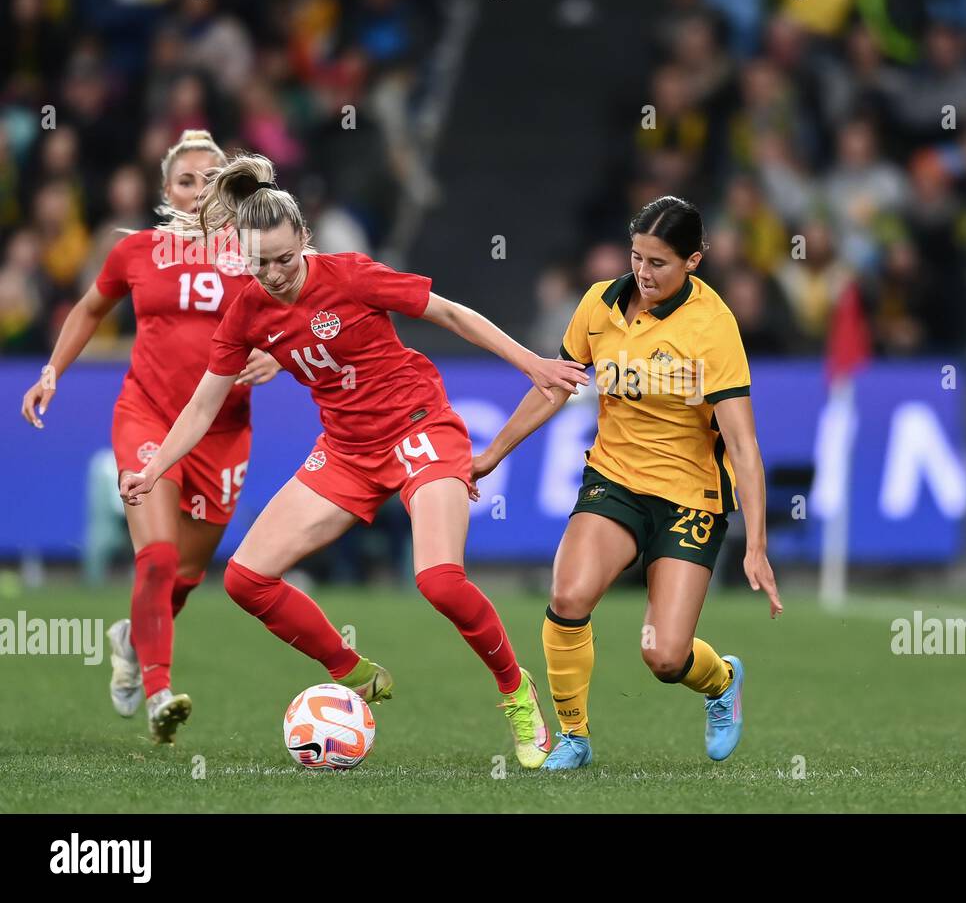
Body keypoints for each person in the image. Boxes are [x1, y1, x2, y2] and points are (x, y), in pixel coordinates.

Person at [119, 154, 588, 765]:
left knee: (439, 582)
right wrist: (153, 468)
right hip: (346, 449)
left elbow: (450, 313)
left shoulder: (352, 275)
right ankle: (350, 668)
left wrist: (535, 363)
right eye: (261, 264)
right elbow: (204, 404)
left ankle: (517, 694)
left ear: (305, 240)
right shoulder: (247, 311)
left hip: (418, 427)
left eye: (286, 258)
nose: (277, 274)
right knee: (245, 579)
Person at [472, 196, 782, 770]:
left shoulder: (714, 328)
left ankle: (721, 683)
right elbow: (555, 386)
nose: (643, 272)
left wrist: (757, 545)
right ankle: (574, 737)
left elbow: (742, 444)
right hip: (613, 480)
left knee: (665, 658)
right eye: (637, 256)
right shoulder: (599, 304)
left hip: (691, 498)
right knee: (568, 597)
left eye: (659, 262)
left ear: (694, 260)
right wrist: (492, 453)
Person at [20, 130, 280, 743]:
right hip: (148, 417)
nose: (197, 191)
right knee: (157, 556)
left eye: (210, 180)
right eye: (185, 180)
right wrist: (52, 371)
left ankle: (131, 641)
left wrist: (277, 357)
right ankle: (160, 691)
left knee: (184, 576)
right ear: (166, 191)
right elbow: (88, 308)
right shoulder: (136, 252)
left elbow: (301, 316)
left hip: (223, 432)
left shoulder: (258, 253)